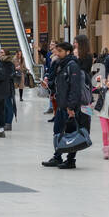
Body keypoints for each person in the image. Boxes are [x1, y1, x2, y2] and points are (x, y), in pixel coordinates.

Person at [42, 40, 87, 169]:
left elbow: (75, 87)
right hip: (61, 104)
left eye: (59, 51)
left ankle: (71, 160)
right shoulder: (60, 64)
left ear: (68, 52)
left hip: (69, 106)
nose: (56, 52)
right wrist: (48, 84)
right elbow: (57, 82)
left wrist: (71, 107)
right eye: (56, 50)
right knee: (58, 131)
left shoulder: (72, 65)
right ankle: (57, 156)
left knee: (71, 132)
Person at [92, 72, 109, 159]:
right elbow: (93, 90)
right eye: (107, 81)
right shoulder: (103, 90)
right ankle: (106, 151)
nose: (108, 83)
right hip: (102, 114)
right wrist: (97, 85)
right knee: (105, 132)